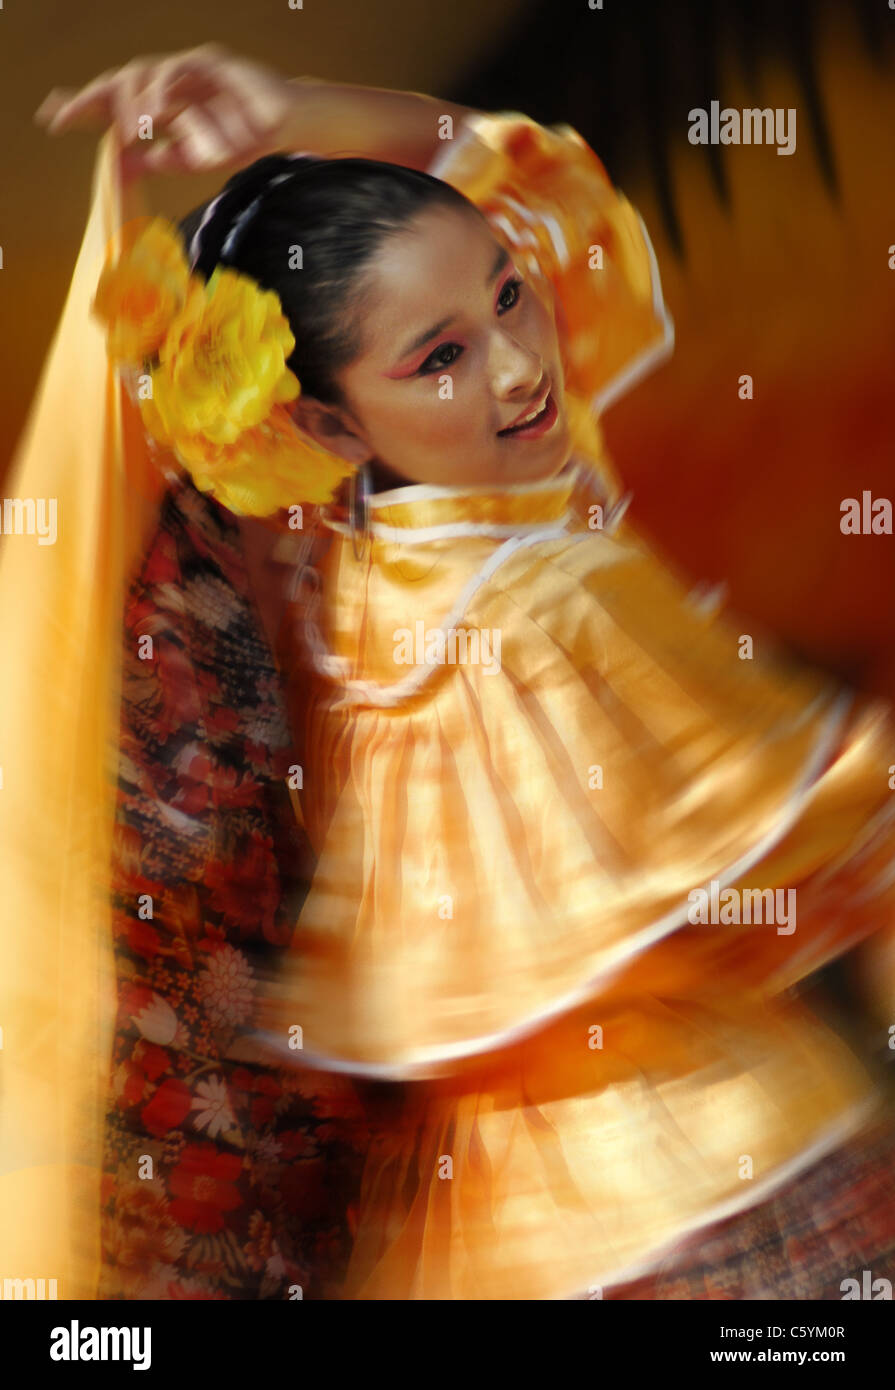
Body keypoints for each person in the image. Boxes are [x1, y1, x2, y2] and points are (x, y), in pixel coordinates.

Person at [1, 46, 891, 1301]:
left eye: (511, 298)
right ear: (324, 423)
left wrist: (296, 115)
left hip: (484, 1243)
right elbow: (812, 826)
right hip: (722, 1195)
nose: (519, 363)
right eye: (442, 357)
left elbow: (526, 187)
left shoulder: (350, 576)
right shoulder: (538, 596)